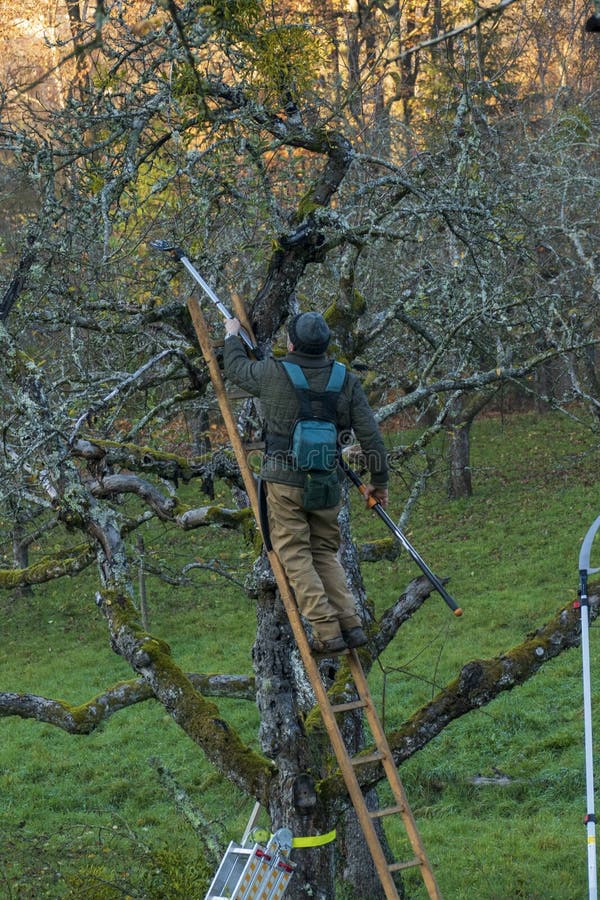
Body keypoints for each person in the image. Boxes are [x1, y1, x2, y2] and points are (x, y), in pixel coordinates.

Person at [223, 311, 388, 655]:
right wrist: (379, 482)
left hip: (284, 482)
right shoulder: (346, 380)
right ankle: (350, 624)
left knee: (295, 554)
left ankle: (327, 631)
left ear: (291, 342)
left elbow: (236, 370)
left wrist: (231, 336)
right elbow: (371, 436)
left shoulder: (273, 371)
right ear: (326, 344)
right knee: (325, 553)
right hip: (326, 481)